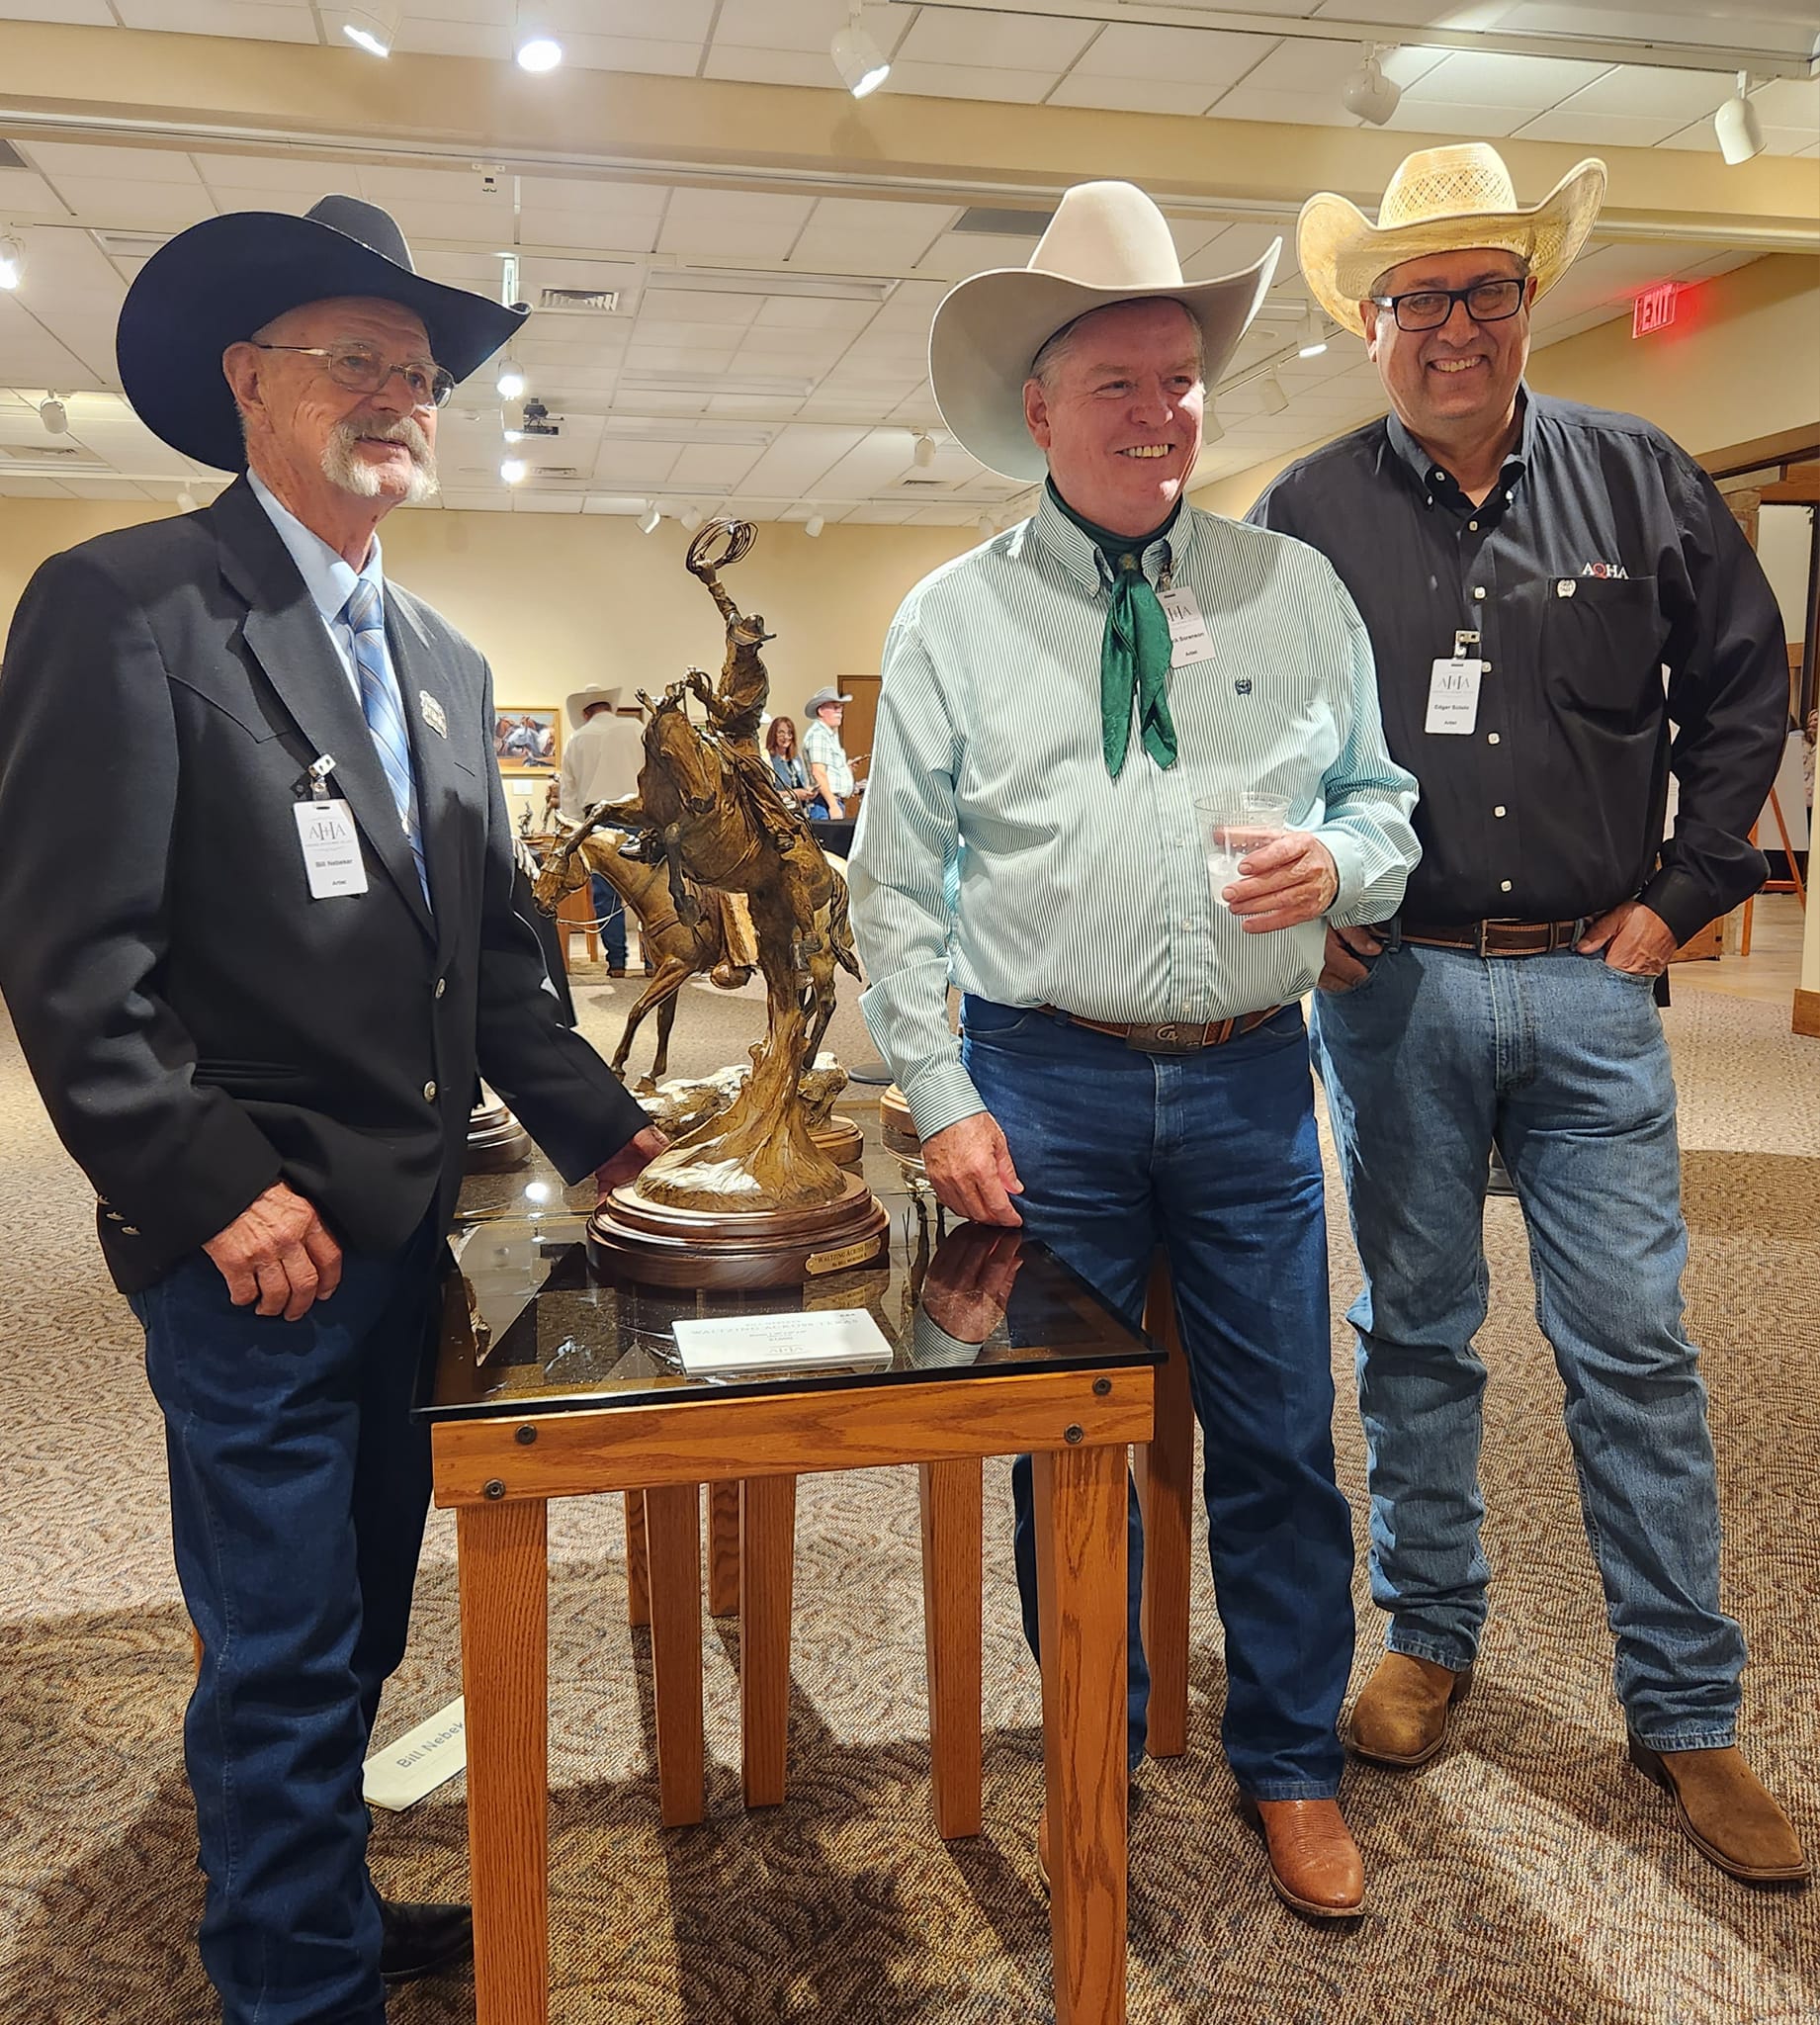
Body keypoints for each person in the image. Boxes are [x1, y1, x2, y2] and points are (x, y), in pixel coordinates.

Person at [0, 194, 665, 2024]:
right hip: (256, 1249)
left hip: (413, 1233)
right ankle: (295, 1984)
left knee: (362, 1610)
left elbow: (496, 961)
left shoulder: (442, 664)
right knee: (282, 1645)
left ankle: (318, 1905)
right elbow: (73, 960)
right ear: (248, 380)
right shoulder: (125, 605)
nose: (398, 396)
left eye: (421, 372)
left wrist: (609, 1133)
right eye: (355, 358)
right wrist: (211, 1186)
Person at [848, 180, 1421, 1918]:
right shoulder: (951, 618)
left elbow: (1381, 802)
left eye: (1180, 380)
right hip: (1045, 1084)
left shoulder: (1293, 588)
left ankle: (1291, 1762)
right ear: (1039, 411)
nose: (1160, 413)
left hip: (1252, 1078)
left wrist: (1345, 864)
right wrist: (941, 1095)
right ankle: (1093, 1738)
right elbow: (895, 891)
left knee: (1281, 1438)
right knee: (1067, 1443)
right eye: (1118, 383)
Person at [1251, 142, 1806, 1885]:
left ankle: (1686, 1709)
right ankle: (1428, 1638)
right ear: (1368, 322)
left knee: (1633, 1348)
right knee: (1414, 1336)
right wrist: (1317, 917)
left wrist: (1687, 892)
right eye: (1417, 297)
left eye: (1484, 289)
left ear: (1528, 300)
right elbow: (1253, 729)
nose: (1455, 326)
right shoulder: (1305, 514)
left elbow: (1744, 691)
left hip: (1590, 982)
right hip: (1397, 987)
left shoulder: (1642, 479)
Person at [560, 682, 646, 976]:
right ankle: (653, 960)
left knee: (606, 894)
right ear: (610, 707)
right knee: (648, 889)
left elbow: (569, 794)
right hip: (639, 815)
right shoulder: (635, 729)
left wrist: (575, 831)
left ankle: (617, 962)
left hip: (598, 819)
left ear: (585, 713)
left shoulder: (577, 739)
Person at [801, 684, 857, 818]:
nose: (840, 712)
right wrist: (833, 805)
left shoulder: (828, 735)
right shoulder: (819, 734)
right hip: (824, 804)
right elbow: (818, 772)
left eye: (841, 708)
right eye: (835, 707)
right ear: (821, 711)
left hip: (829, 802)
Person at [765, 712, 818, 808]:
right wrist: (794, 794)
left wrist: (809, 792)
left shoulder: (796, 758)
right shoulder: (768, 760)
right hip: (782, 810)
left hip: (802, 809)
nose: (786, 737)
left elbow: (803, 783)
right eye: (781, 733)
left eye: (789, 733)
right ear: (773, 735)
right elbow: (768, 793)